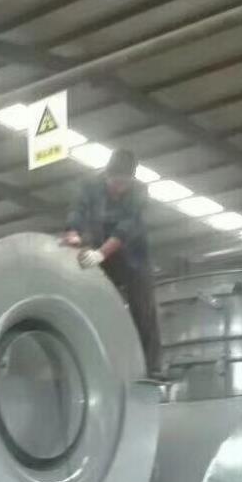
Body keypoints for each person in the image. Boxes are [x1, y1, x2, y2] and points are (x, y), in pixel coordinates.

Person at [63, 148, 162, 377]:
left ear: (131, 180)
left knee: (143, 307)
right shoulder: (89, 186)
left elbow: (126, 229)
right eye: (115, 182)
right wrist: (73, 234)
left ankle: (152, 367)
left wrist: (101, 254)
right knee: (96, 302)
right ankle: (98, 361)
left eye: (123, 183)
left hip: (133, 256)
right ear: (107, 175)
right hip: (100, 250)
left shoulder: (139, 192)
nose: (118, 188)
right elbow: (76, 212)